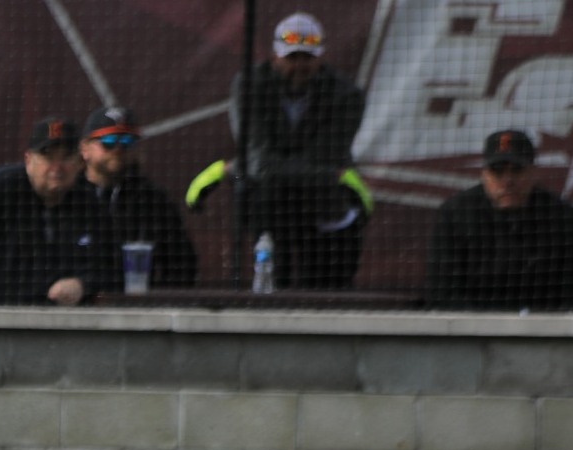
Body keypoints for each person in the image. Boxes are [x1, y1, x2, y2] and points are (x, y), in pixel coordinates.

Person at [188, 12, 372, 289]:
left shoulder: (348, 95)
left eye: (307, 58)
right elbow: (261, 161)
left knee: (328, 286)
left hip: (324, 204)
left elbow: (325, 156)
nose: (299, 65)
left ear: (321, 58)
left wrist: (234, 167)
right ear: (275, 56)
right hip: (271, 201)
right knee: (272, 260)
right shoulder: (249, 85)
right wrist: (332, 175)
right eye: (292, 57)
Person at [0, 115, 113, 305]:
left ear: (79, 163)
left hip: (66, 318)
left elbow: (111, 265)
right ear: (28, 160)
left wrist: (82, 284)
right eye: (47, 157)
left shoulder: (89, 205)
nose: (57, 168)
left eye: (66, 158)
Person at [426, 130, 573, 311]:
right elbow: (441, 290)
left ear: (533, 172)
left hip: (544, 323)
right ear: (484, 174)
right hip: (475, 323)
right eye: (497, 171)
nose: (508, 181)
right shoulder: (455, 215)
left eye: (517, 170)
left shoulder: (561, 217)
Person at [78, 106, 197, 289]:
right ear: (85, 148)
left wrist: (156, 298)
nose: (118, 149)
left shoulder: (153, 200)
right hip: (78, 300)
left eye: (127, 142)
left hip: (136, 300)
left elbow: (182, 263)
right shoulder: (69, 196)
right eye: (109, 141)